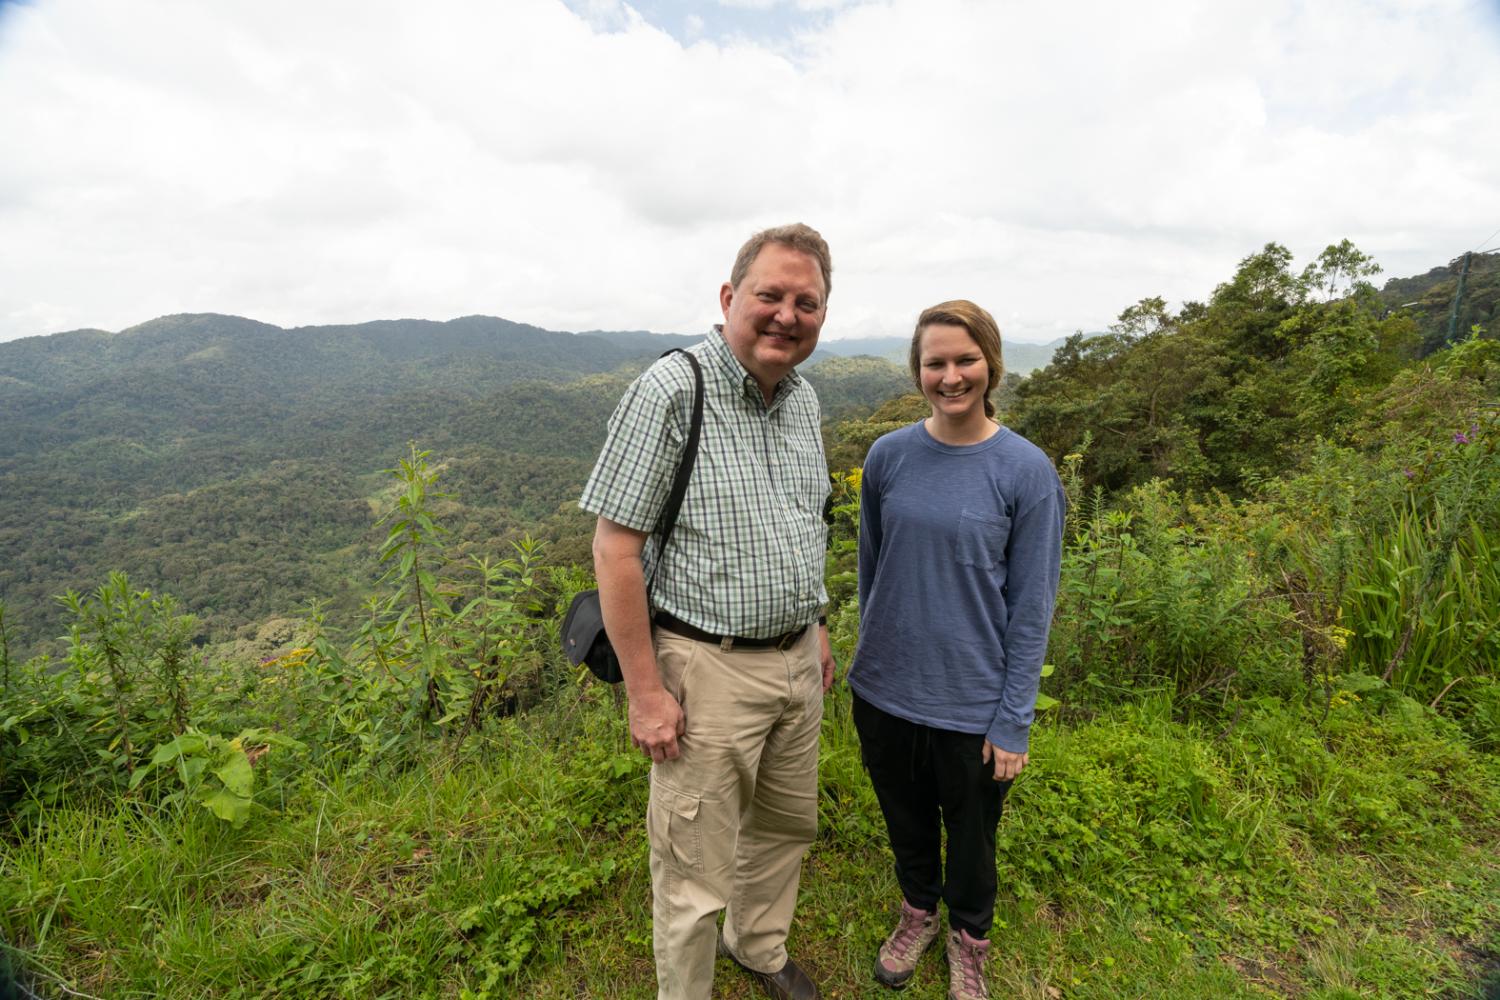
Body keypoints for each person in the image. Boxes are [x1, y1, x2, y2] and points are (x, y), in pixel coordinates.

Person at [580, 223, 839, 1000]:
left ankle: (757, 946)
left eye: (806, 302)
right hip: (706, 670)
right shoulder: (673, 390)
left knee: (785, 827)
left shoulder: (803, 400)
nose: (787, 315)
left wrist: (817, 626)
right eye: (770, 295)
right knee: (693, 869)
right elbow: (615, 549)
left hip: (797, 661)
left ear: (822, 315)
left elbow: (805, 521)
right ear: (730, 297)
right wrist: (645, 693)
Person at [846, 300, 1064, 1000]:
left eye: (965, 360)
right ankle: (917, 913)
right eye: (934, 362)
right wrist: (868, 659)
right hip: (884, 689)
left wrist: (1014, 719)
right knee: (905, 819)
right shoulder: (888, 456)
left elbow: (1031, 608)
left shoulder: (1026, 471)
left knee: (972, 837)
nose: (950, 376)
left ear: (990, 364)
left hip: (972, 699)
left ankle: (970, 940)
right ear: (917, 369)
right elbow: (872, 569)